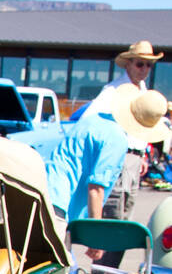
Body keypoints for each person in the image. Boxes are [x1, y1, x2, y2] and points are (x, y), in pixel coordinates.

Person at [42, 90, 168, 258]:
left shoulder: (95, 119)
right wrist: (96, 238)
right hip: (59, 206)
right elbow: (96, 189)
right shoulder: (117, 140)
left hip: (46, 191)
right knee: (57, 266)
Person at [82, 40, 164, 262]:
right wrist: (118, 143)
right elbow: (90, 119)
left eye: (148, 65)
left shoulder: (142, 90)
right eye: (140, 64)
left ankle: (110, 270)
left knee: (125, 215)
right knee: (114, 214)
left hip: (134, 158)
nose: (144, 69)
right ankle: (103, 272)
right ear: (128, 64)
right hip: (119, 155)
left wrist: (143, 152)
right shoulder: (113, 91)